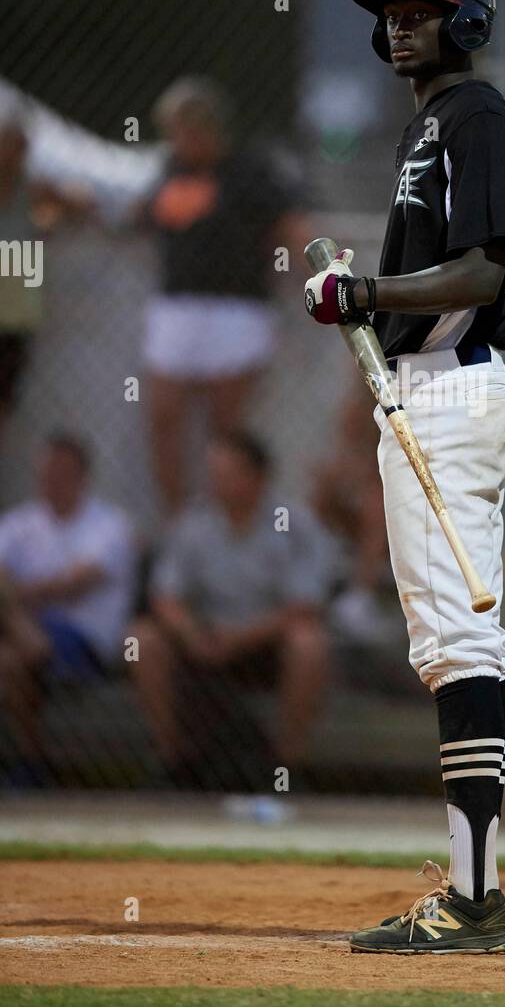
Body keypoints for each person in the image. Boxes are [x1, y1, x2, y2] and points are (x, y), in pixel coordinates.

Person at [305, 0, 505, 952]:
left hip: (450, 390)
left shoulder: (473, 116)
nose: (399, 20)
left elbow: (485, 273)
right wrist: (371, 297)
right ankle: (471, 890)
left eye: (421, 7)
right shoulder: (430, 124)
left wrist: (368, 294)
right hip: (428, 392)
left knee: (459, 645)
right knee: (451, 644)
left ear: (465, 22)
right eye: (390, 7)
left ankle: (475, 902)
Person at [129, 430, 331, 783]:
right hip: (203, 640)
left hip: (267, 646)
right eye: (213, 473)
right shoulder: (193, 522)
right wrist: (192, 635)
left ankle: (286, 766)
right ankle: (171, 761)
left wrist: (240, 638)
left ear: (257, 476)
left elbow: (305, 606)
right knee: (142, 639)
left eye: (226, 474)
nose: (215, 482)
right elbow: (165, 596)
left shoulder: (294, 524)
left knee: (309, 643)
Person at [142, 77, 305, 512]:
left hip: (236, 310)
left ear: (204, 127)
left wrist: (316, 281)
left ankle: (224, 519)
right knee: (163, 417)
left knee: (224, 427)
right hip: (176, 308)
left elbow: (288, 229)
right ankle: (178, 521)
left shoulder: (250, 170)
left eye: (180, 129)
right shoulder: (170, 169)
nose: (174, 139)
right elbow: (140, 212)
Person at [0, 433, 135, 783]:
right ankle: (32, 764)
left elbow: (73, 585)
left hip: (82, 641)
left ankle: (32, 763)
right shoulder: (19, 523)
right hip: (25, 636)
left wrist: (13, 595)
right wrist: (18, 606)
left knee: (11, 655)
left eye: (63, 473)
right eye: (46, 473)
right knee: (11, 659)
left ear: (83, 477)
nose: (52, 481)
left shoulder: (109, 524)